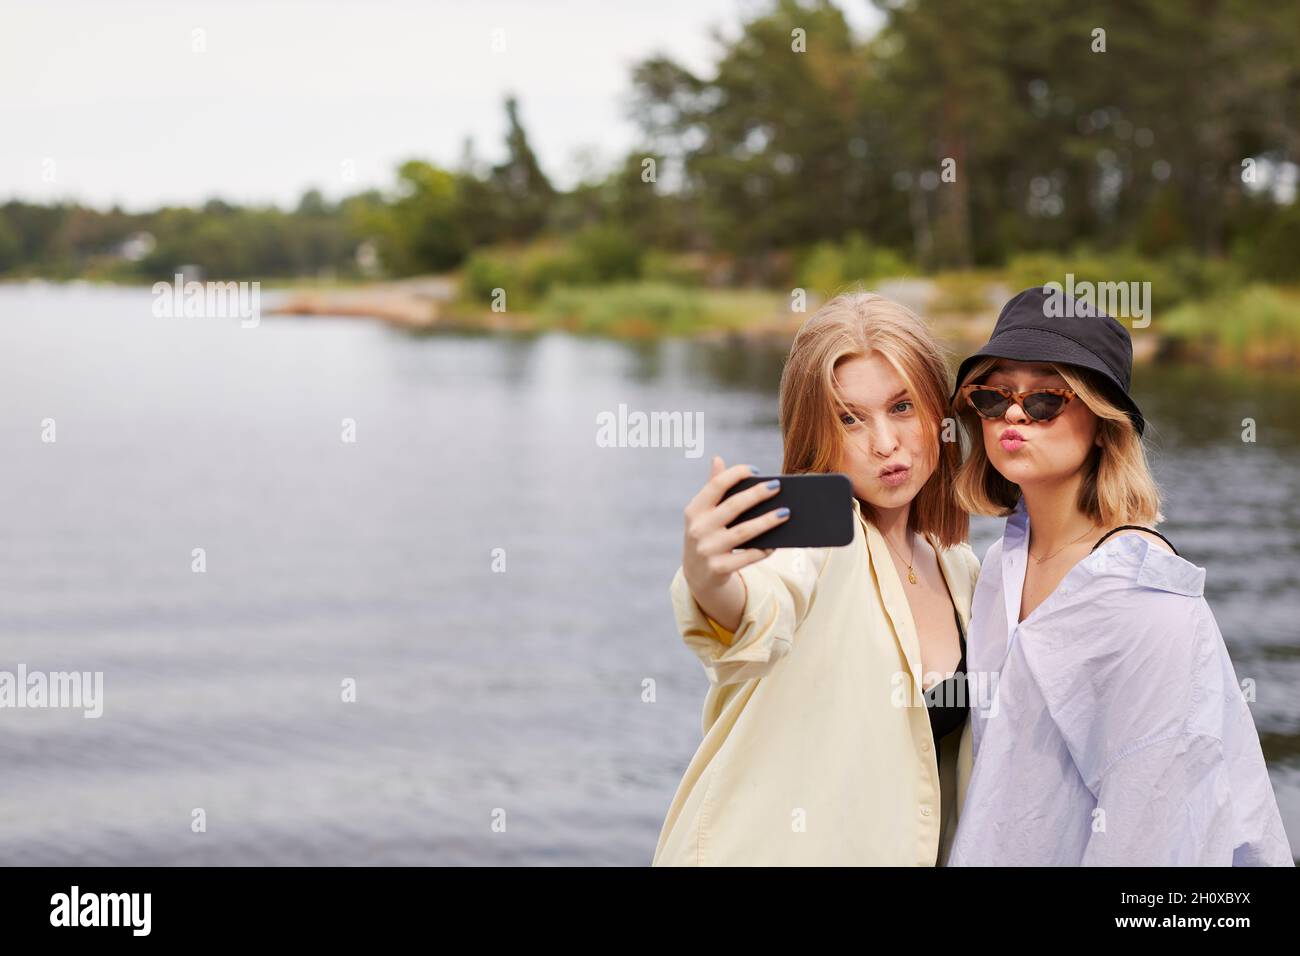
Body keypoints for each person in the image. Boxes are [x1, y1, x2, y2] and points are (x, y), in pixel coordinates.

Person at [946, 286, 1294, 866]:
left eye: (1045, 401)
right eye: (994, 396)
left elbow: (1158, 831)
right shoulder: (999, 568)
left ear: (1104, 424)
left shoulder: (1145, 600)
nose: (1013, 413)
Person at [652, 292, 980, 866]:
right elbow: (758, 608)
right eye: (849, 419)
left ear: (939, 415)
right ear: (816, 433)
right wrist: (710, 579)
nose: (884, 443)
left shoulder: (962, 570)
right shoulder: (818, 542)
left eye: (902, 407)